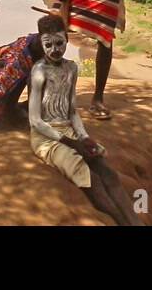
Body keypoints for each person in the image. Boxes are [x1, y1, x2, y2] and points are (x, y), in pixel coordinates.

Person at [28, 15, 142, 225]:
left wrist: (84, 137)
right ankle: (121, 221)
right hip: (46, 139)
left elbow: (72, 111)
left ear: (67, 39)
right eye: (48, 45)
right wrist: (72, 143)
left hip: (70, 132)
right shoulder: (38, 72)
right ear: (42, 44)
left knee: (107, 172)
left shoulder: (71, 68)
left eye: (60, 43)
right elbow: (35, 121)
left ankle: (135, 222)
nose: (55, 50)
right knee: (91, 178)